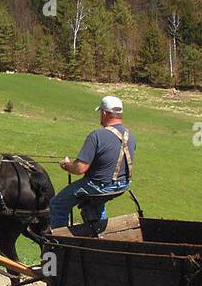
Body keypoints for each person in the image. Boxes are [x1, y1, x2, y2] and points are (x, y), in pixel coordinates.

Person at [48, 95, 136, 231]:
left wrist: (66, 165)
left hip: (99, 186)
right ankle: (101, 232)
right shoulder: (130, 136)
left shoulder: (97, 136)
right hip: (122, 186)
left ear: (105, 113)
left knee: (57, 203)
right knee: (96, 202)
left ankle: (60, 241)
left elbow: (79, 168)